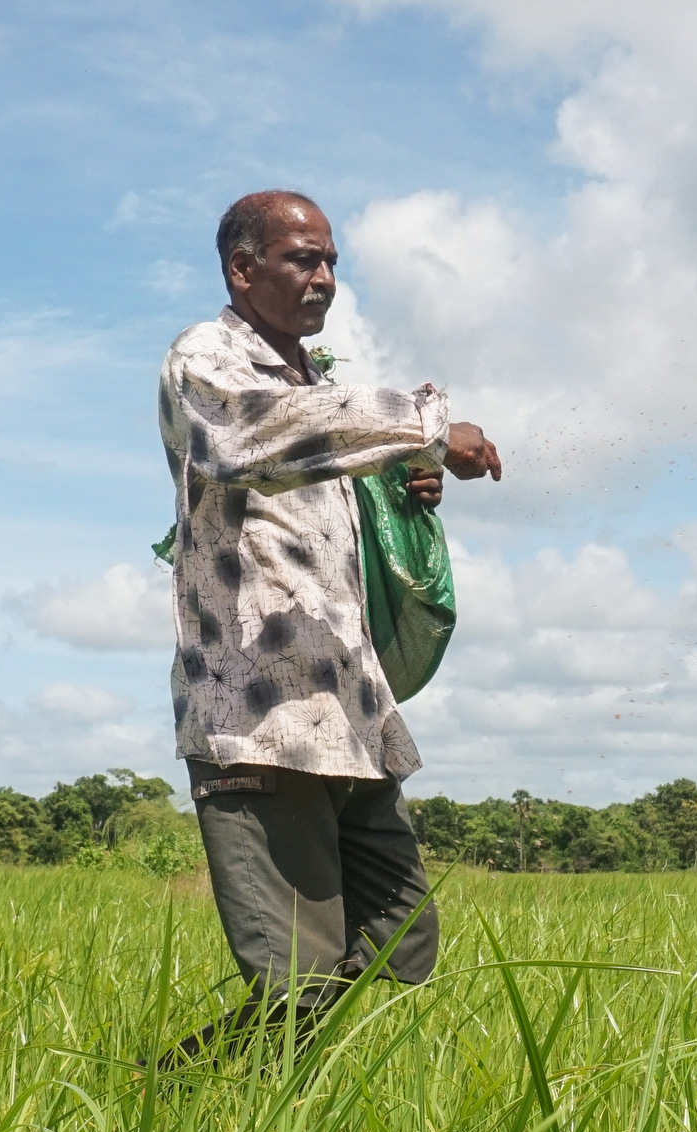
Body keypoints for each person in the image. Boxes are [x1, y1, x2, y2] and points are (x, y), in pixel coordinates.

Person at [154, 189, 501, 1065]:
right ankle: (182, 1103)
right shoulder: (208, 361)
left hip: (347, 715)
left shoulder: (320, 387)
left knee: (397, 943)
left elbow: (328, 468)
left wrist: (403, 481)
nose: (324, 278)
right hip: (258, 721)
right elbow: (251, 443)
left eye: (332, 262)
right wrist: (422, 425)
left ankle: (249, 1086)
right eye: (303, 259)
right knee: (296, 982)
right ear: (244, 269)